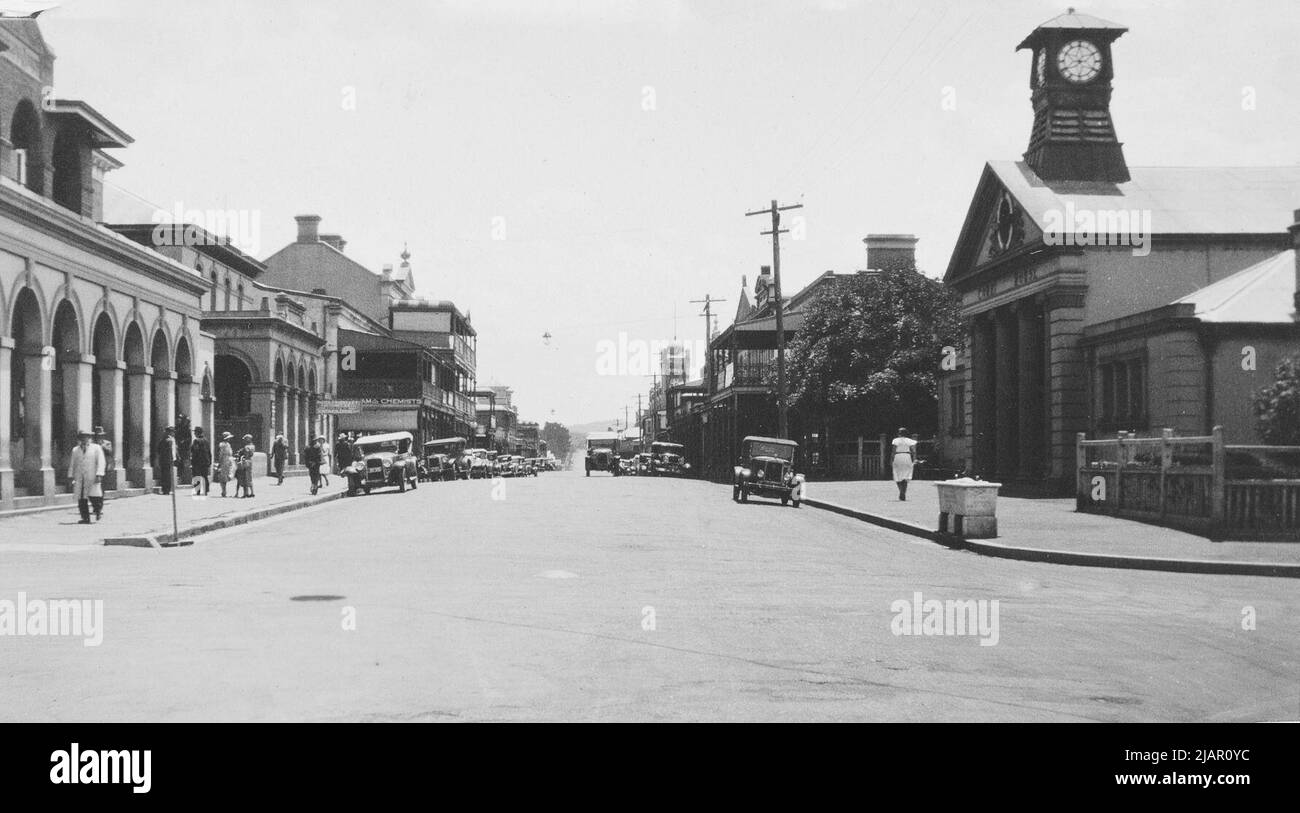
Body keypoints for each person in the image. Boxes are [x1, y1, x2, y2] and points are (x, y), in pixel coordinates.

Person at [68, 429, 106, 524]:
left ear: (90, 438)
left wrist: (99, 474)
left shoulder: (96, 448)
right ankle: (85, 518)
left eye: (86, 437)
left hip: (92, 475)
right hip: (80, 476)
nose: (84, 439)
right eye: (82, 437)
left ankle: (97, 511)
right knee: (81, 498)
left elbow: (101, 461)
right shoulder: (75, 450)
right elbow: (72, 464)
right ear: (79, 438)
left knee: (95, 496)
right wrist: (70, 476)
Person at [891, 427, 919, 501]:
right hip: (907, 457)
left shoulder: (895, 440)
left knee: (897, 475)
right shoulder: (909, 441)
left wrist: (891, 459)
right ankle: (903, 492)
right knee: (905, 476)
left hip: (898, 456)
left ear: (898, 433)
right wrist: (914, 459)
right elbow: (914, 451)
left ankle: (901, 491)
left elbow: (893, 451)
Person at [191, 426, 212, 496]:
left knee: (197, 476)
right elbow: (209, 452)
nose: (194, 433)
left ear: (197, 432)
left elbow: (195, 451)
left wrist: (192, 461)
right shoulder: (206, 440)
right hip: (206, 461)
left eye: (195, 432)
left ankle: (198, 491)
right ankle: (206, 490)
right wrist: (210, 461)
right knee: (204, 476)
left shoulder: (196, 441)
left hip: (198, 462)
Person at [156, 426, 177, 495]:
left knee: (165, 475)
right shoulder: (169, 440)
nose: (173, 433)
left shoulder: (166, 439)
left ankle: (166, 489)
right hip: (168, 460)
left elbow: (159, 450)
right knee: (167, 475)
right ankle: (166, 490)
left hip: (165, 460)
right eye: (172, 431)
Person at [215, 432, 236, 497]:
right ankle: (224, 491)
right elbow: (221, 454)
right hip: (224, 461)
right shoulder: (222, 445)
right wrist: (220, 462)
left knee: (227, 475)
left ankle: (224, 490)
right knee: (223, 476)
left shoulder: (228, 444)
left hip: (229, 460)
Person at [235, 434, 256, 498]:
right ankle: (252, 492)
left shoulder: (246, 447)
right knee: (249, 477)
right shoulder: (253, 446)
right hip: (250, 461)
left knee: (245, 477)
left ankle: (245, 493)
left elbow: (245, 455)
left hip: (245, 462)